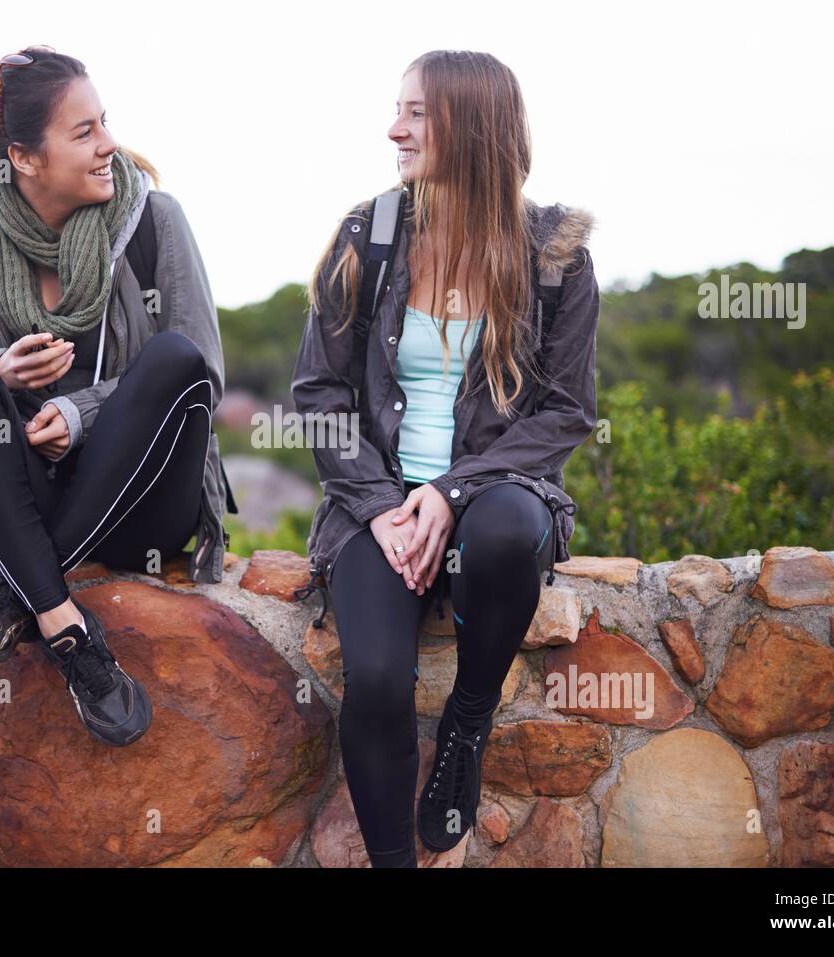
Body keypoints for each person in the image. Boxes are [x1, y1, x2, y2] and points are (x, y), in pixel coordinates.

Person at [291, 50, 600, 866]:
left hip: (496, 500)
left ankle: (468, 719)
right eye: (400, 110)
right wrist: (384, 505)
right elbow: (318, 395)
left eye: (417, 113)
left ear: (473, 122)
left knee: (503, 529)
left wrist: (453, 492)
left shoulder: (553, 253)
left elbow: (567, 411)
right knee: (381, 679)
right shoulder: (372, 234)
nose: (395, 129)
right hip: (376, 509)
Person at [0, 45, 231, 748]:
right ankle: (68, 628)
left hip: (143, 506)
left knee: (173, 357)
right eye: (84, 132)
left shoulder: (154, 221)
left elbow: (204, 377)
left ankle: (20, 594)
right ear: (25, 157)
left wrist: (81, 413)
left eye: (104, 122)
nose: (109, 144)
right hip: (21, 500)